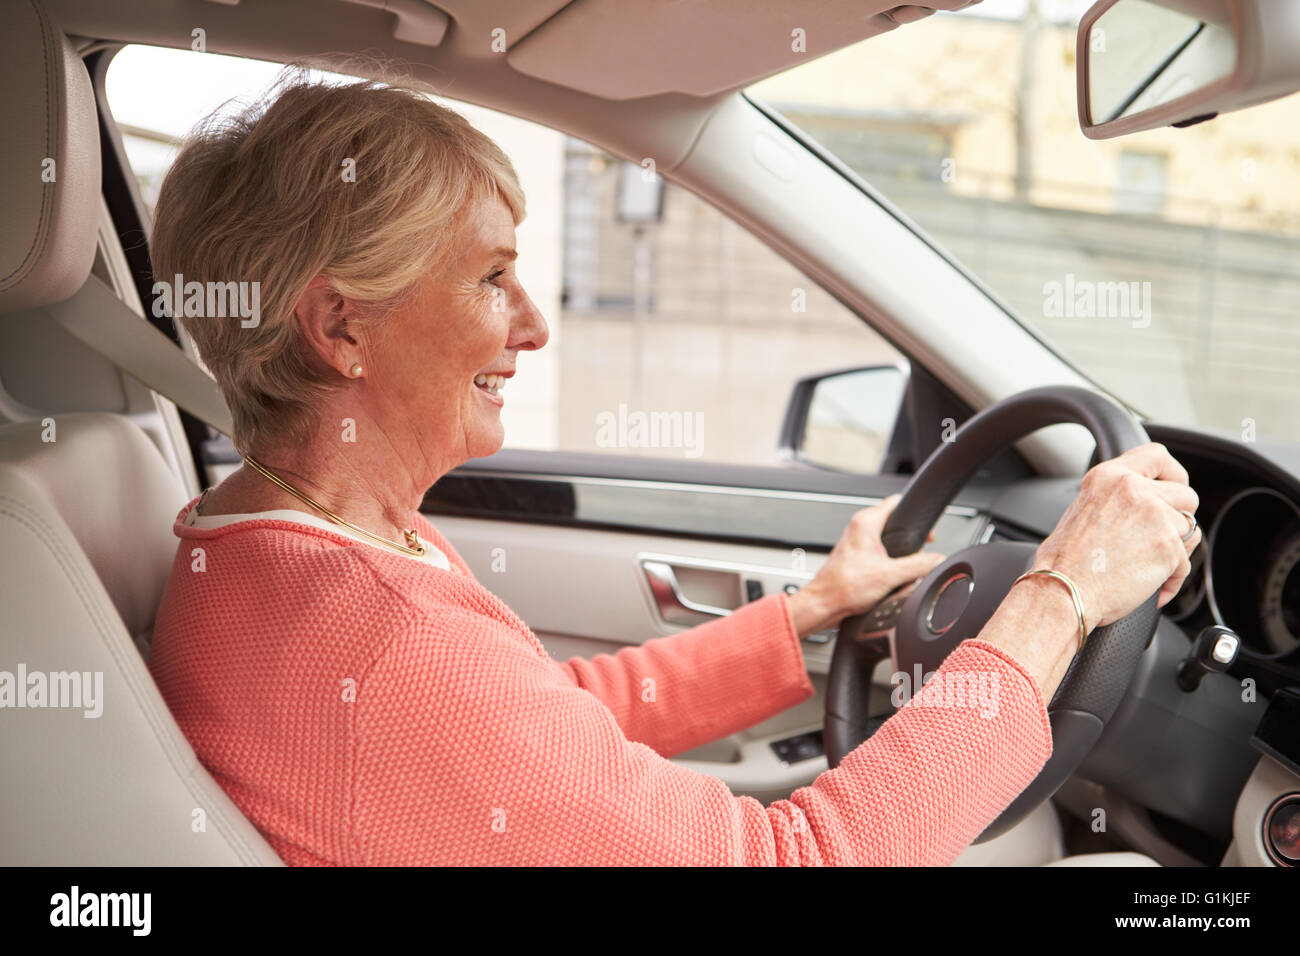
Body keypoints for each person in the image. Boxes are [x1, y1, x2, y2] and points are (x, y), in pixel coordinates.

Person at [147, 71, 1200, 865]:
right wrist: (1059, 592)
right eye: (491, 277)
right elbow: (804, 857)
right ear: (340, 324)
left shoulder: (258, 536)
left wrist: (807, 611)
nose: (534, 326)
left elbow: (549, 713)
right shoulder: (382, 640)